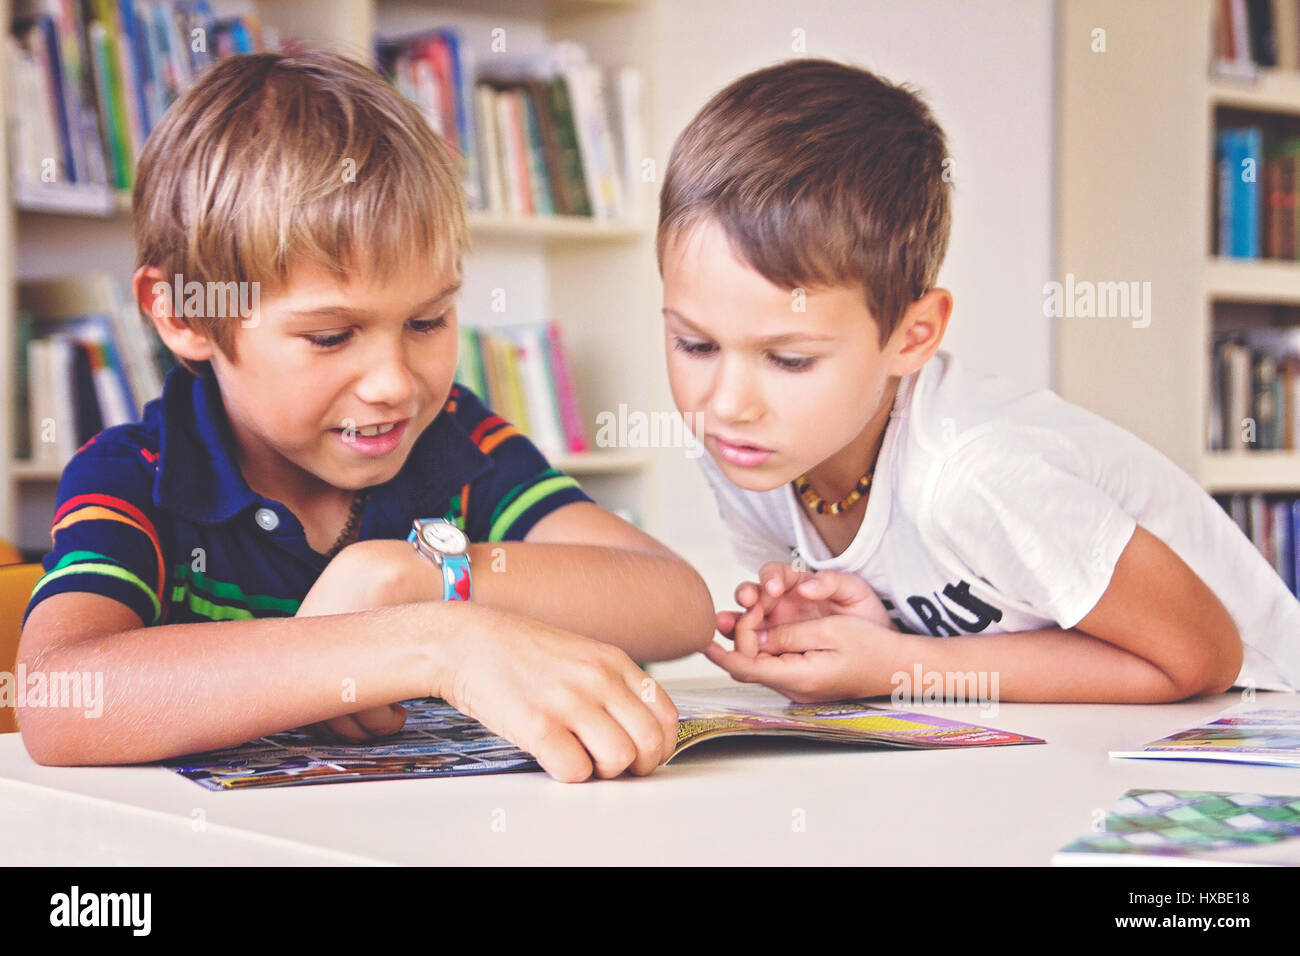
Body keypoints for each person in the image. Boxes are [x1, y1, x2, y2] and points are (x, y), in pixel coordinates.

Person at [18, 51, 715, 783]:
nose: (393, 384)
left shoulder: (458, 443)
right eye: (331, 336)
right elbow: (58, 696)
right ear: (183, 313)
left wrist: (407, 576)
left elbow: (677, 602)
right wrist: (432, 643)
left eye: (427, 320)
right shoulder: (139, 475)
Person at [657, 58, 1300, 703]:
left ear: (913, 337)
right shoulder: (750, 459)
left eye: (789, 360)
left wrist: (899, 667)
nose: (728, 404)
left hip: (1255, 725)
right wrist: (856, 636)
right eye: (696, 344)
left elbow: (1203, 659)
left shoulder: (972, 476)